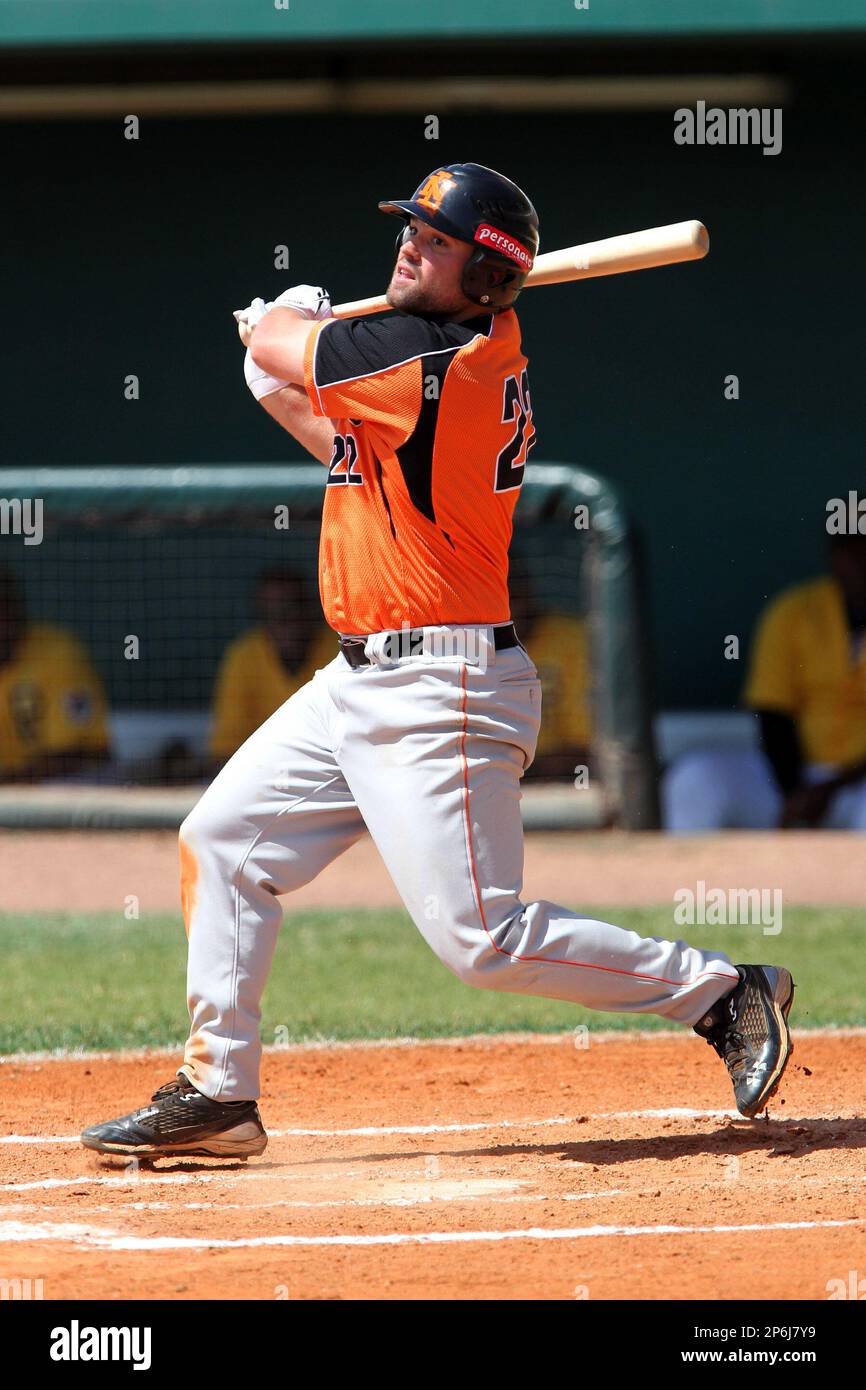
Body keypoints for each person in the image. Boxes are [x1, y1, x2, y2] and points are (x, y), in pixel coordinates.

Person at [81, 163, 794, 1161]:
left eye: (436, 238)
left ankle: (723, 992)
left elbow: (289, 345)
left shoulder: (434, 358)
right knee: (224, 843)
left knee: (481, 941)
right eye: (411, 228)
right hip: (357, 680)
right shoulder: (421, 353)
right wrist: (277, 372)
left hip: (439, 690)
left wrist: (275, 326)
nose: (409, 245)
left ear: (487, 275)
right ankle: (217, 1093)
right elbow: (340, 442)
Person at [663, 530, 866, 830]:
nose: (860, 564)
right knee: (695, 779)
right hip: (793, 776)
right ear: (834, 556)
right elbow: (773, 713)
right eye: (851, 552)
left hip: (858, 783)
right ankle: (680, 876)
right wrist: (795, 793)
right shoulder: (795, 611)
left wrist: (831, 789)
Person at [209, 567, 335, 764]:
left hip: (334, 770)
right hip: (264, 773)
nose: (283, 621)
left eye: (291, 609)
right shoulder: (244, 656)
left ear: (309, 609)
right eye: (271, 613)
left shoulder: (341, 650)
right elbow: (225, 749)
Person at [0, 566, 109, 783]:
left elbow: (82, 753)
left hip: (70, 789)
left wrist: (9, 783)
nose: (6, 625)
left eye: (6, 609)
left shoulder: (56, 653)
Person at [507, 564, 592, 781]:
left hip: (563, 786)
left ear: (526, 594)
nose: (504, 609)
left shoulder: (572, 639)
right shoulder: (461, 647)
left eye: (512, 596)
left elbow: (587, 750)